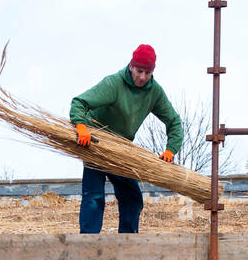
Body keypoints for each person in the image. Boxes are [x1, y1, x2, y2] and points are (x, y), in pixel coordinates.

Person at [69, 44, 183, 234]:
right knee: (94, 197)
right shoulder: (113, 84)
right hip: (96, 144)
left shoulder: (154, 92)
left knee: (132, 197)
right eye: (139, 71)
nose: (142, 77)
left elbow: (174, 121)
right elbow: (79, 102)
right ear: (131, 66)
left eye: (148, 73)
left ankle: (127, 242)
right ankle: (88, 244)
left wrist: (171, 150)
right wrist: (81, 126)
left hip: (122, 149)